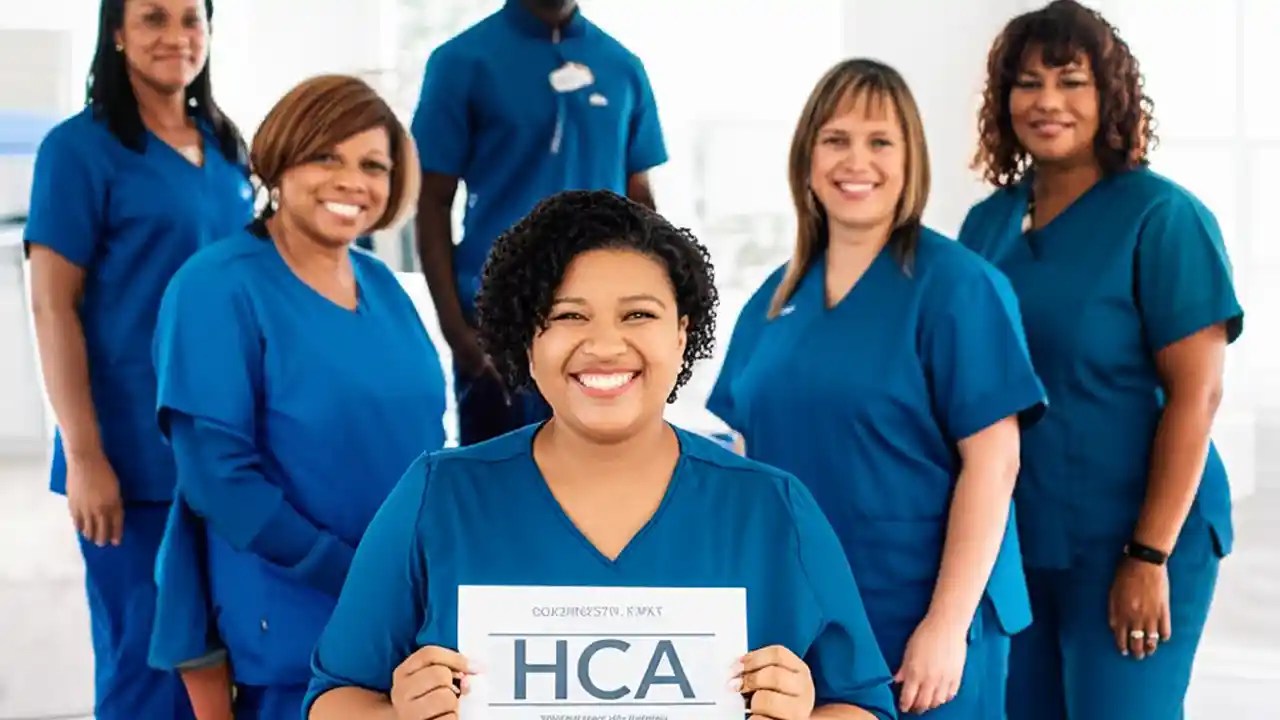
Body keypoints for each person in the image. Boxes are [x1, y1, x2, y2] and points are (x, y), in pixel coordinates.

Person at [303, 190, 899, 720]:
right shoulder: (438, 497)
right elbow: (333, 699)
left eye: (638, 314)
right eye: (568, 316)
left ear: (681, 334)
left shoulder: (774, 509)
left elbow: (863, 705)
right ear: (525, 340)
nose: (606, 345)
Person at [708, 59, 1047, 718]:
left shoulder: (958, 288)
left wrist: (945, 628)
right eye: (835, 139)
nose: (854, 160)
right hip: (810, 624)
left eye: (879, 141)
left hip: (926, 625)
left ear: (909, 158)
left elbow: (995, 461)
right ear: (807, 156)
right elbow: (748, 467)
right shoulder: (772, 302)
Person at [958, 2, 1244, 718]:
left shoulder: (1163, 217)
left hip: (1137, 536)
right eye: (1027, 83)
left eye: (1071, 81)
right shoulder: (986, 223)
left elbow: (1196, 397)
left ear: (1109, 94)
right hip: (1021, 538)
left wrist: (1147, 557)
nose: (1047, 101)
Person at [148, 74, 449, 720]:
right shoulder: (217, 287)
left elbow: (429, 440)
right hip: (291, 623)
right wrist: (356, 574)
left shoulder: (384, 287)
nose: (352, 181)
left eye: (373, 165)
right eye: (325, 157)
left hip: (407, 619)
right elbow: (220, 482)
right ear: (280, 161)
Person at [24, 1, 251, 717]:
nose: (176, 37)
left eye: (192, 19)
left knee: (226, 657)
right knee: (148, 660)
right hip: (131, 453)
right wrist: (86, 454)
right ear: (117, 33)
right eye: (153, 18)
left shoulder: (224, 145)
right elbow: (51, 305)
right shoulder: (80, 149)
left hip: (224, 446)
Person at [411, 0, 669, 446]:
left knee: (605, 493)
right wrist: (460, 338)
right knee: (497, 495)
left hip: (603, 329)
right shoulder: (461, 62)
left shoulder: (622, 66)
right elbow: (431, 202)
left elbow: (641, 201)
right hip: (498, 331)